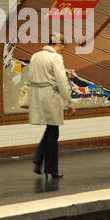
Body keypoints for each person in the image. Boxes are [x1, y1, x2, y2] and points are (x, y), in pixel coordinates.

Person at [28, 36, 74, 180]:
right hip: (50, 97)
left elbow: (29, 76)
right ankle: (51, 169)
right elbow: (62, 81)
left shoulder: (35, 56)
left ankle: (38, 159)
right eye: (62, 47)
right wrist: (69, 103)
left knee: (50, 129)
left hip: (37, 97)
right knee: (54, 132)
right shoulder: (55, 58)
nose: (62, 50)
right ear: (57, 44)